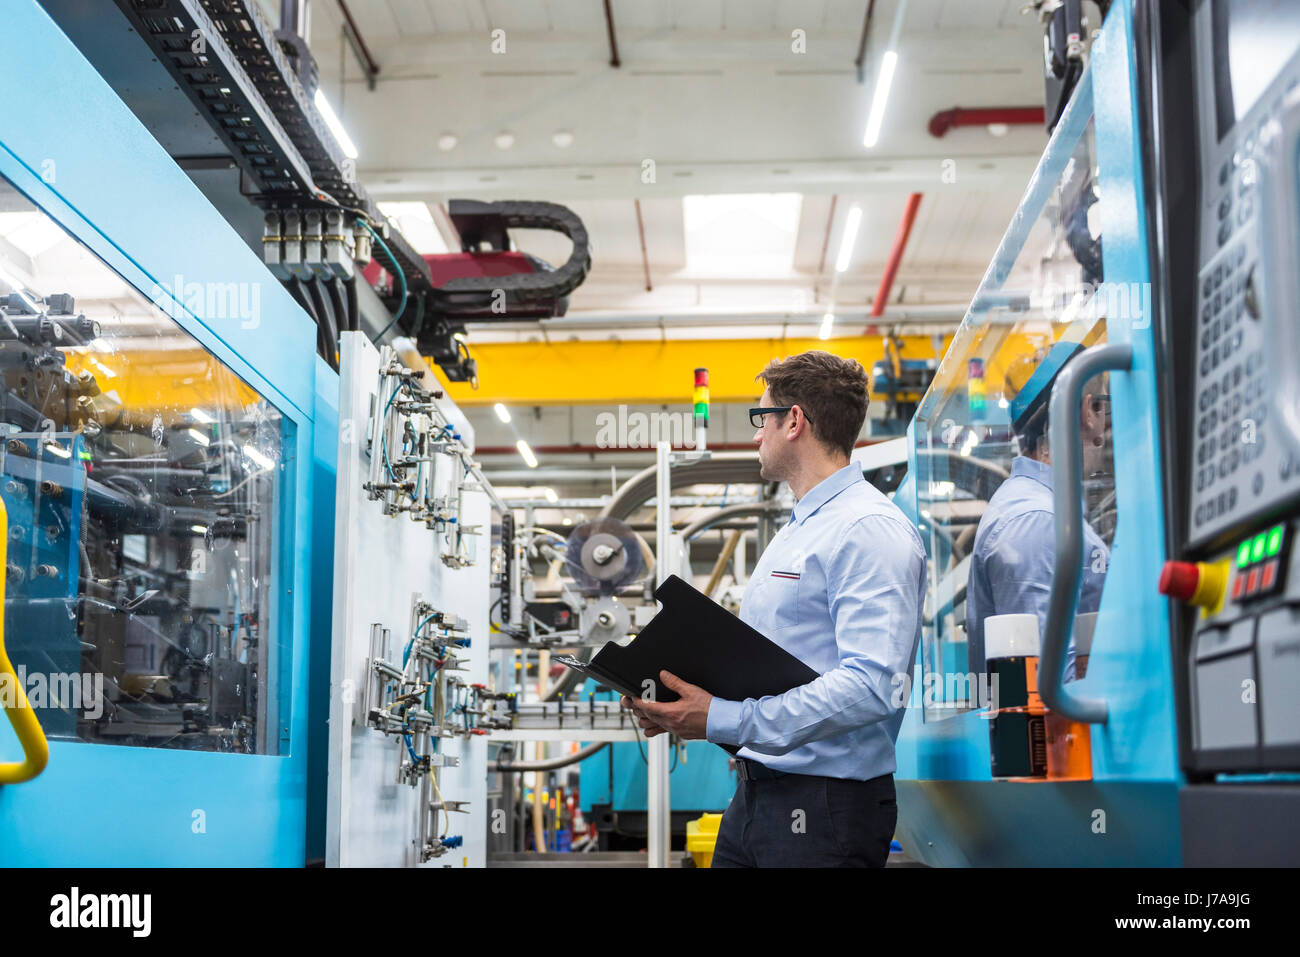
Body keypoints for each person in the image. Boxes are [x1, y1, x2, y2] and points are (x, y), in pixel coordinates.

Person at [623, 350, 927, 867]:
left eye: (760, 419)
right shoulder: (799, 530)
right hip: (755, 797)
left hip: (826, 807)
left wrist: (725, 718)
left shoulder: (868, 529)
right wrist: (686, 708)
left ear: (794, 421)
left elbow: (873, 685)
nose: (754, 435)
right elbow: (772, 666)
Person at [965, 355, 1111, 680]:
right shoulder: (1036, 520)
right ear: (1089, 411)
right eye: (1105, 407)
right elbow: (1050, 682)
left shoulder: (1042, 511)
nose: (1105, 426)